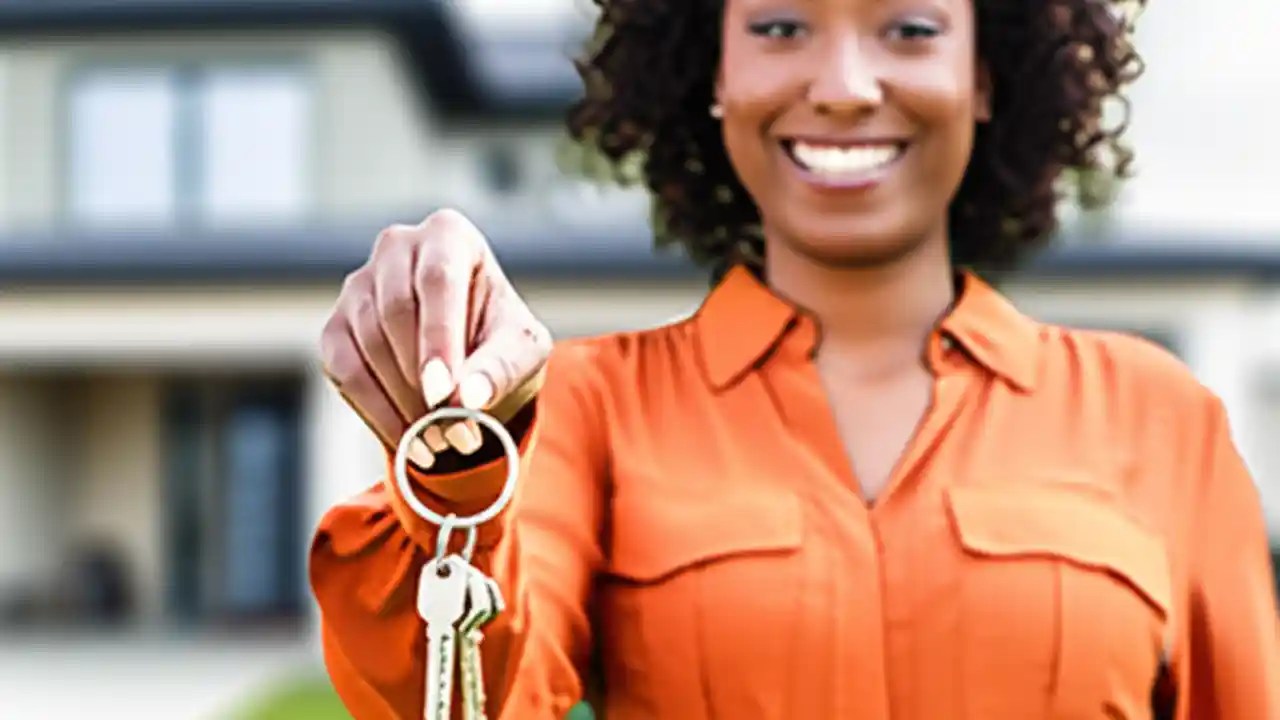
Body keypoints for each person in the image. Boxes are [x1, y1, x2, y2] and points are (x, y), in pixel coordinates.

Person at [309, 0, 1280, 716]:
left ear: (983, 75)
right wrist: (456, 440)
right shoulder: (589, 411)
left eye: (908, 29)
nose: (844, 87)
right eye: (778, 26)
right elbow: (450, 686)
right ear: (714, 75)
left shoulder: (1159, 418)